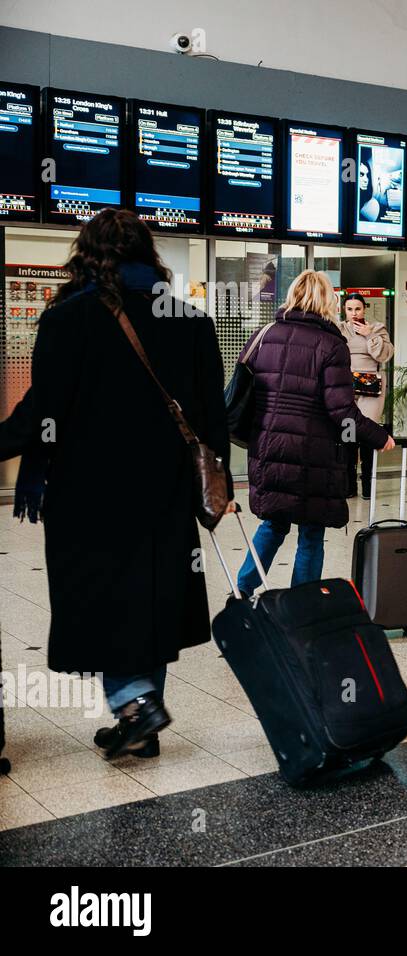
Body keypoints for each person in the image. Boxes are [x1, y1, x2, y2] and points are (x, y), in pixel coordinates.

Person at [0, 209, 233, 759]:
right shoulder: (191, 320)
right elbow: (210, 418)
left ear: (88, 252)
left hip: (91, 492)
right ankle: (140, 717)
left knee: (107, 600)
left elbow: (43, 411)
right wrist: (213, 477)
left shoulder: (69, 318)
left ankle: (134, 704)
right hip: (167, 489)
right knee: (152, 599)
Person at [237, 270, 395, 598]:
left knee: (273, 521)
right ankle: (304, 601)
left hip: (268, 446)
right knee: (311, 531)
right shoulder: (331, 345)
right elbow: (341, 410)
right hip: (314, 452)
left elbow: (244, 386)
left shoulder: (264, 334)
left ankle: (244, 587)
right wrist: (378, 436)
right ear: (328, 301)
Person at [339, 292, 394, 499]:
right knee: (348, 434)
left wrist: (370, 334)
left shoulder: (377, 328)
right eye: (350, 309)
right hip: (345, 385)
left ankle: (368, 486)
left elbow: (385, 355)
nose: (354, 313)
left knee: (367, 433)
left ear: (364, 309)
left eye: (358, 309)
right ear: (345, 310)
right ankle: (349, 485)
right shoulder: (339, 328)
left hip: (370, 385)